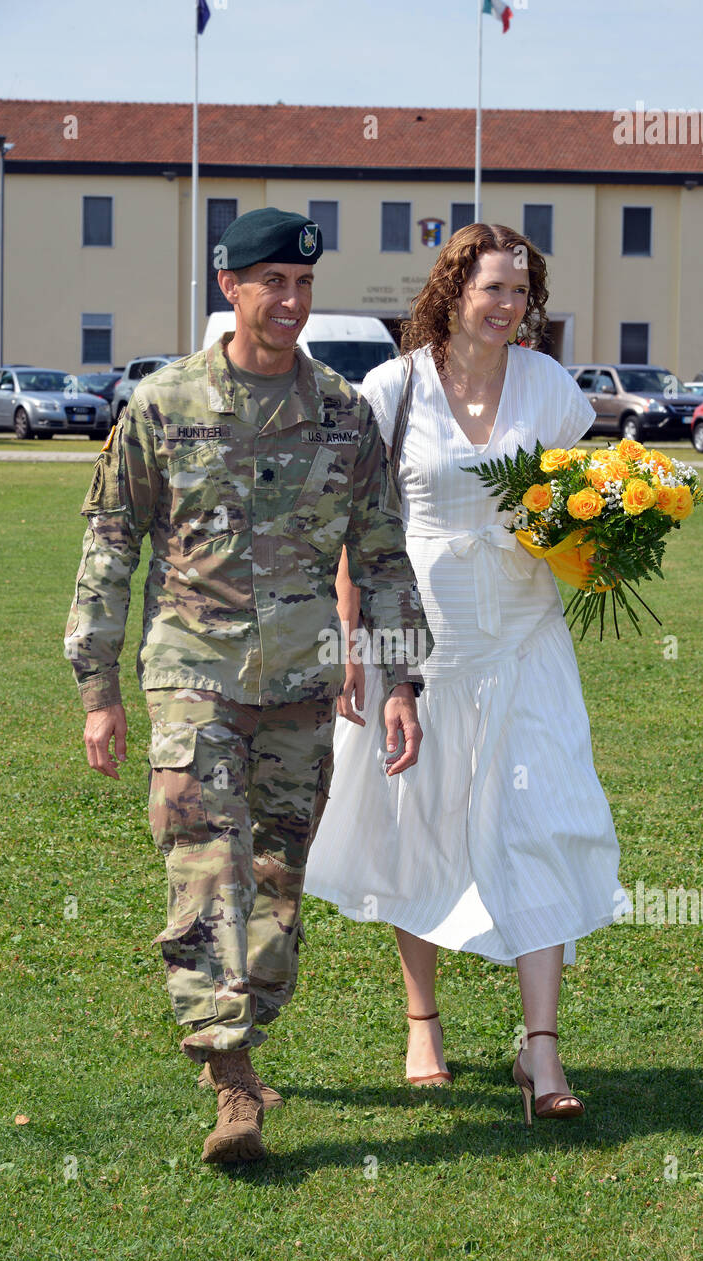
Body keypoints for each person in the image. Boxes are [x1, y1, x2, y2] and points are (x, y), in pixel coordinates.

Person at [64, 207, 431, 1164]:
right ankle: (231, 1079)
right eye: (273, 283)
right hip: (194, 673)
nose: (292, 302)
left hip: (306, 684)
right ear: (230, 287)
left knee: (276, 876)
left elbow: (384, 557)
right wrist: (98, 687)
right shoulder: (163, 404)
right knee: (202, 860)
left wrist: (399, 684)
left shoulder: (346, 415)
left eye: (305, 285)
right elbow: (110, 545)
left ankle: (244, 1031)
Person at [304, 223, 630, 1122]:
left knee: (546, 820)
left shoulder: (551, 389)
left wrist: (609, 538)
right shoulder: (391, 387)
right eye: (493, 289)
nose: (510, 306)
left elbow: (577, 502)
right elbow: (355, 523)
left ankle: (543, 1052)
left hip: (526, 638)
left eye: (523, 291)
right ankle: (422, 1021)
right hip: (420, 646)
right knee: (419, 822)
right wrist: (351, 642)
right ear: (453, 290)